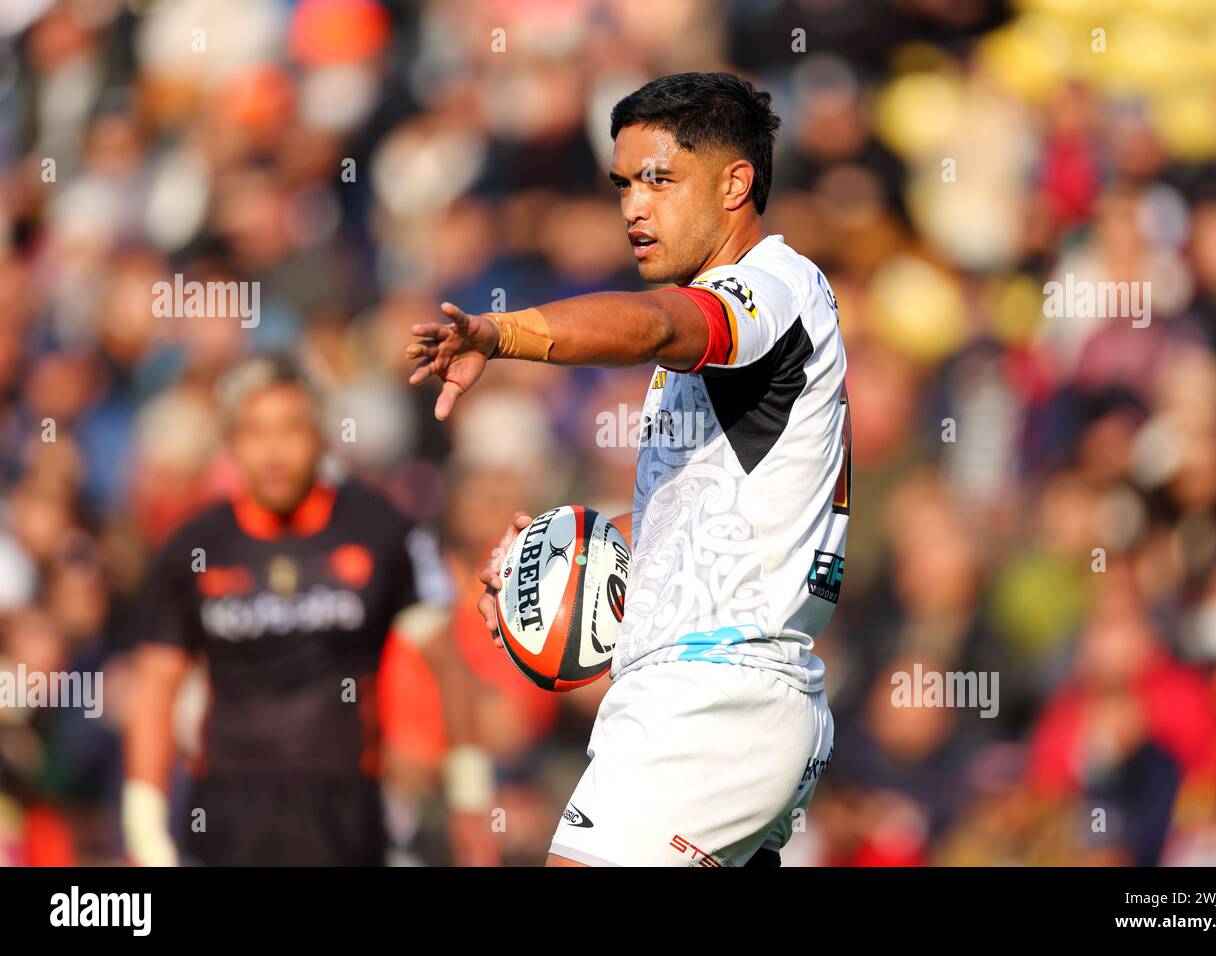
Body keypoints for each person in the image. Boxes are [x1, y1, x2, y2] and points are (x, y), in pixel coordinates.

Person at [407, 72, 850, 867]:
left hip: (712, 698)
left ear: (734, 183)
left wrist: (499, 335)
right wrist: (559, 560)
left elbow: (652, 328)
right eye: (623, 185)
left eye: (658, 181)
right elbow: (704, 522)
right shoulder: (718, 334)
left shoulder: (772, 288)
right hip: (730, 699)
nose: (632, 207)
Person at [123, 354, 497, 866]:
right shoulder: (194, 545)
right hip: (228, 807)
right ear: (232, 443)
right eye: (256, 431)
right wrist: (144, 832)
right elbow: (155, 689)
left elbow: (448, 668)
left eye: (291, 429)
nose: (273, 451)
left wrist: (470, 802)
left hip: (345, 805)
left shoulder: (380, 529)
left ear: (321, 436)